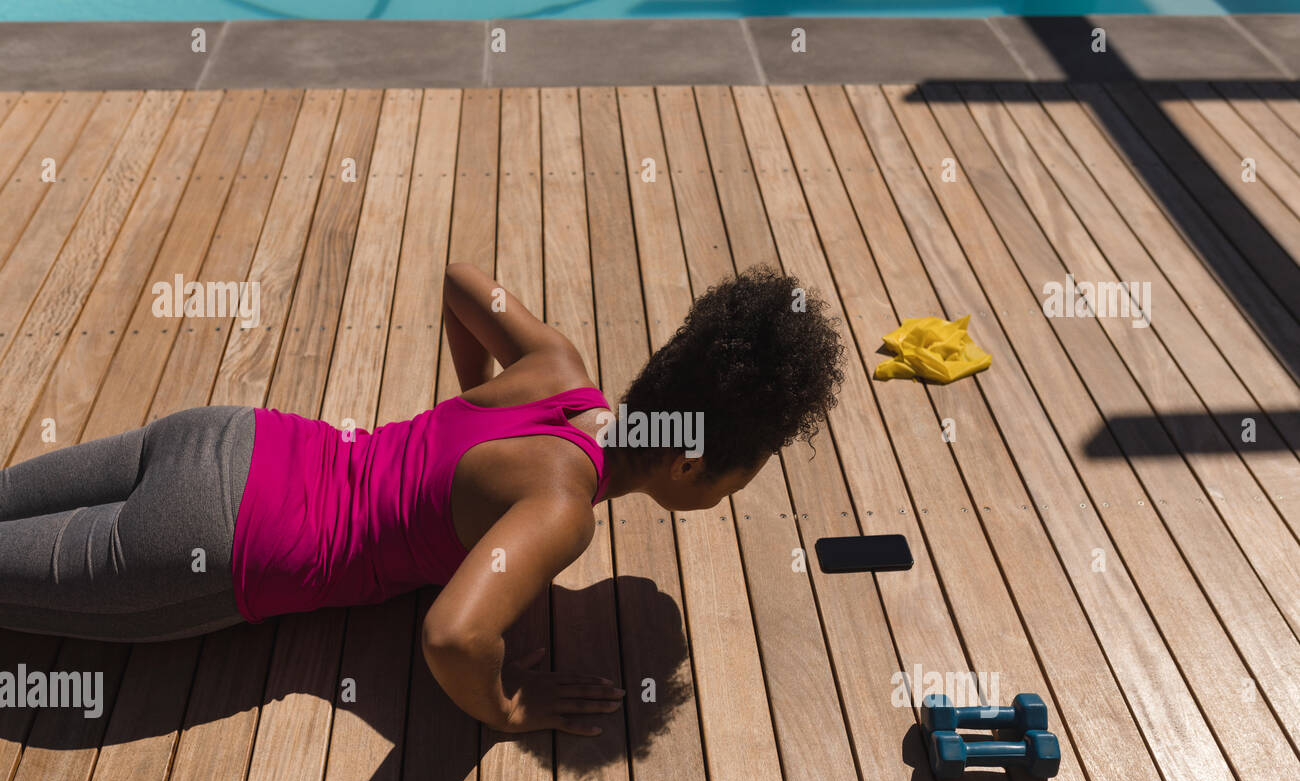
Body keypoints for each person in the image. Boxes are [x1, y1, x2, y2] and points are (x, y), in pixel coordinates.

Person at [0, 262, 844, 735]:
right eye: (745, 475)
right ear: (689, 466)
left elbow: (461, 280)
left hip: (224, 435)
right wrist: (510, 705)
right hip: (219, 546)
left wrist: (459, 426)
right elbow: (452, 634)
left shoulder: (554, 366)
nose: (738, 493)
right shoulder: (561, 510)